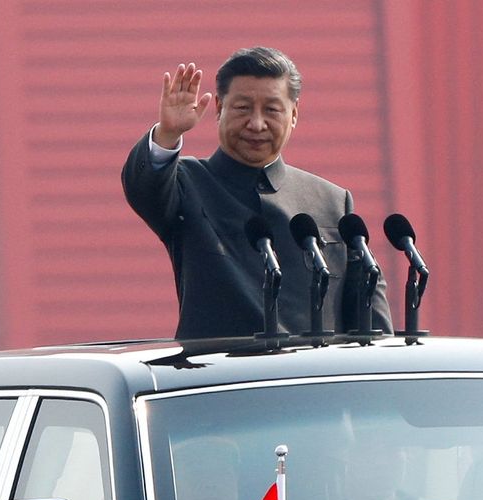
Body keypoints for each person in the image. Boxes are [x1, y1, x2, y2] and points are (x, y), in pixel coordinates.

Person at [122, 47, 392, 339]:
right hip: (220, 378)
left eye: (272, 110)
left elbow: (369, 314)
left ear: (294, 114)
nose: (256, 123)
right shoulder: (187, 183)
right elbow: (144, 187)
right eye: (242, 108)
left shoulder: (331, 201)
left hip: (313, 379)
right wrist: (168, 134)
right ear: (218, 109)